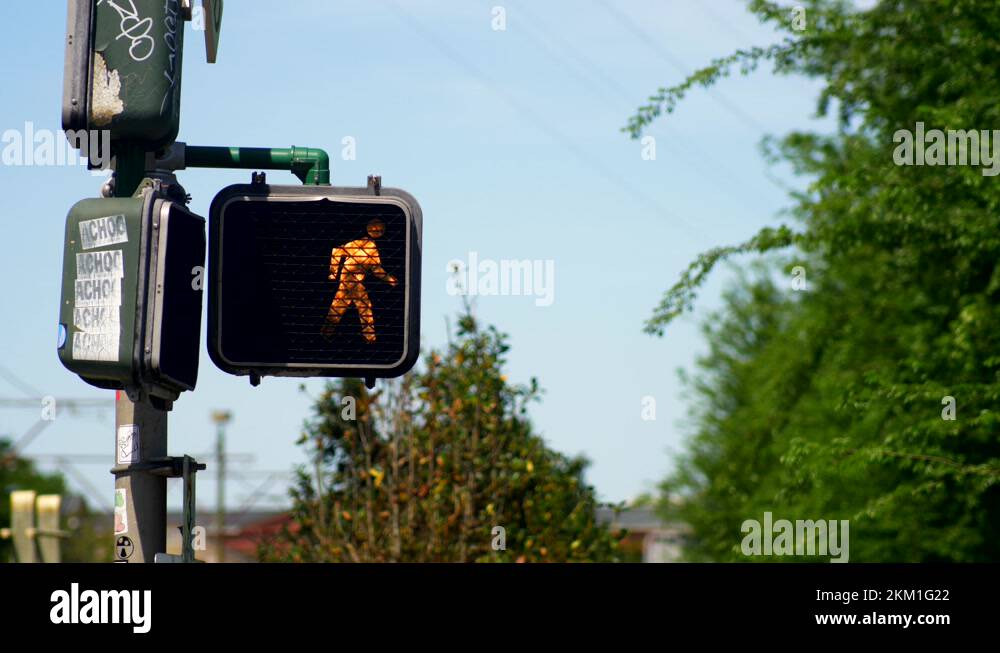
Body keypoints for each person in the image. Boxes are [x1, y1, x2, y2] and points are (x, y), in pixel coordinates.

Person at [321, 218, 397, 343]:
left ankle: (325, 334)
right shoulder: (357, 244)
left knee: (338, 308)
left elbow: (376, 269)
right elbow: (336, 251)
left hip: (354, 282)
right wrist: (333, 273)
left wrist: (390, 280)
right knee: (363, 307)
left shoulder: (372, 248)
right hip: (350, 280)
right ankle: (370, 339)